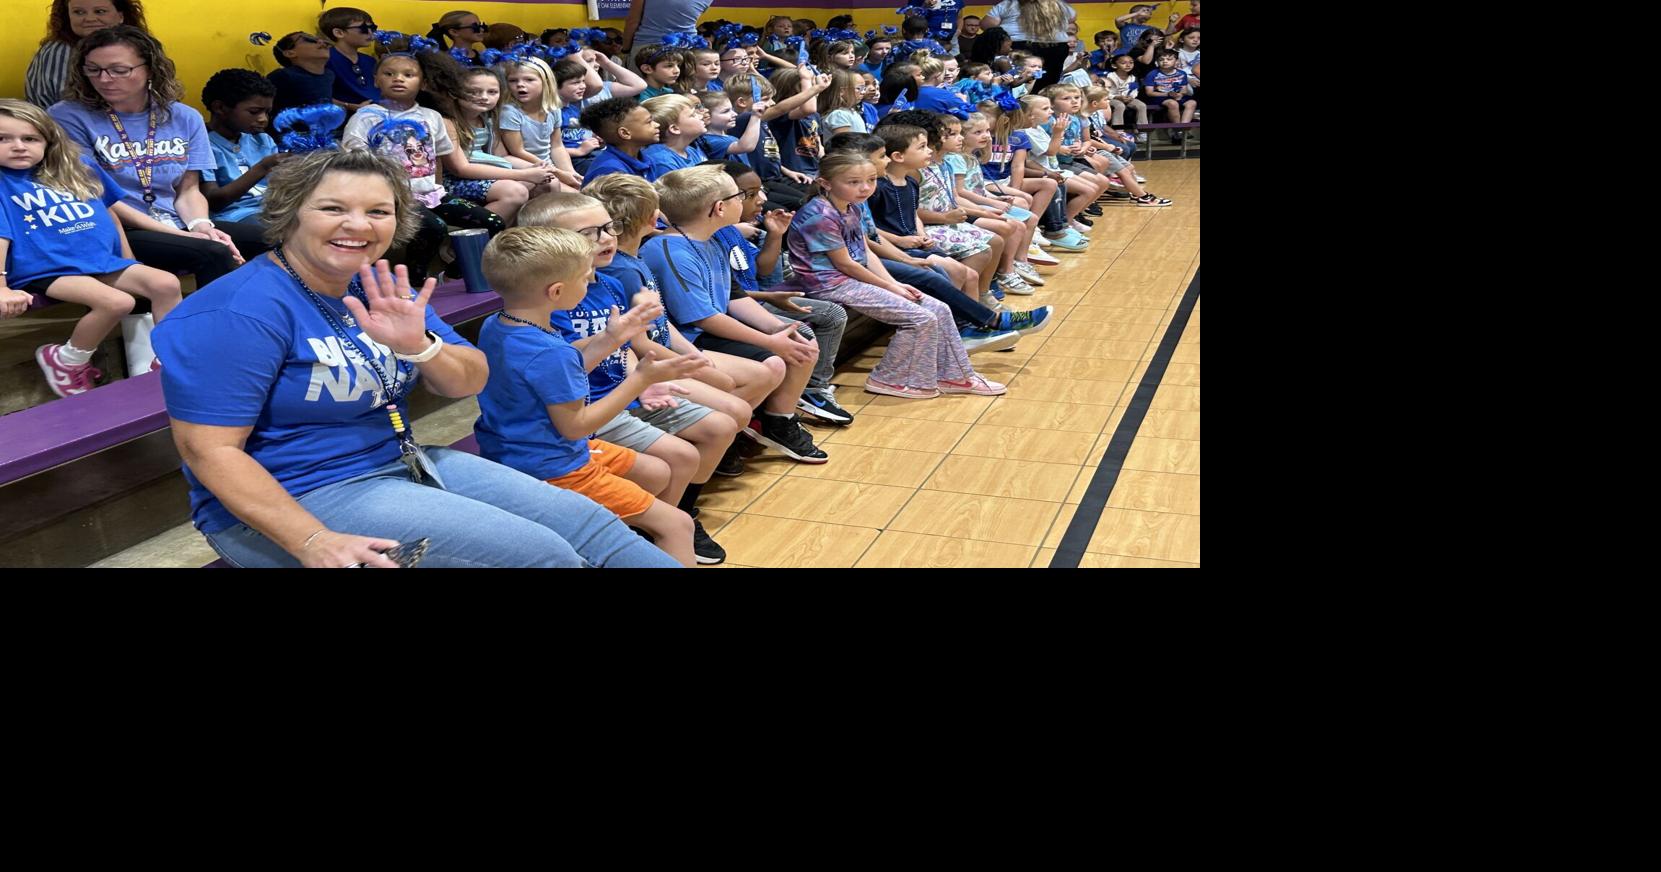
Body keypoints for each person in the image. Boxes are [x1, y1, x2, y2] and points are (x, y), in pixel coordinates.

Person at [151, 148, 679, 569]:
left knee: (591, 524)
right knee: (544, 556)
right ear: (289, 215)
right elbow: (209, 452)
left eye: (378, 211)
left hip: (403, 464)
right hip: (301, 495)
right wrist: (312, 540)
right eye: (333, 208)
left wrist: (420, 346)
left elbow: (470, 379)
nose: (358, 225)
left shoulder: (376, 285)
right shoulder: (234, 313)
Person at [519, 190, 748, 564]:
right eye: (588, 233)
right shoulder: (550, 303)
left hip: (619, 395)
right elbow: (565, 364)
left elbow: (628, 346)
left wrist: (649, 377)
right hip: (586, 411)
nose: (607, 238)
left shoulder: (607, 283)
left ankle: (662, 523)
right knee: (680, 454)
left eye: (607, 227)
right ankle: (655, 528)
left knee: (707, 436)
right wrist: (638, 375)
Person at [474, 226, 704, 566]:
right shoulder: (550, 352)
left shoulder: (499, 324)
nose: (590, 281)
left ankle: (625, 546)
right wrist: (640, 379)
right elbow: (577, 426)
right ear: (556, 291)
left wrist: (612, 337)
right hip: (555, 466)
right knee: (678, 525)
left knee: (656, 472)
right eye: (586, 277)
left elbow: (554, 371)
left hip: (519, 449)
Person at [640, 165, 828, 463]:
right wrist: (771, 342)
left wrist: (777, 328)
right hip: (690, 338)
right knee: (775, 363)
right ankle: (723, 435)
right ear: (719, 207)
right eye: (740, 196)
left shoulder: (712, 238)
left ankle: (778, 420)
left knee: (803, 341)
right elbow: (701, 318)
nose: (752, 199)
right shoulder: (670, 250)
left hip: (709, 329)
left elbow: (733, 296)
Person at [782, 152, 1005, 399]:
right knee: (920, 318)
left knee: (939, 308)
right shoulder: (820, 216)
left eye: (870, 180)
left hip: (852, 279)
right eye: (853, 182)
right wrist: (893, 288)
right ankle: (889, 379)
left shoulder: (852, 207)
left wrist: (894, 283)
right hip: (827, 285)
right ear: (825, 183)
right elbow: (846, 265)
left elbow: (865, 252)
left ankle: (954, 375)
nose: (865, 188)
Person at [50, 25, 256, 287]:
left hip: (175, 221)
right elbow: (96, 194)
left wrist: (201, 226)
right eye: (93, 69)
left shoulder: (184, 116)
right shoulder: (68, 115)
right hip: (118, 228)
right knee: (213, 252)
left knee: (271, 237)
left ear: (150, 68)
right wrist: (182, 236)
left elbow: (188, 189)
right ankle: (210, 327)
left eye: (119, 70)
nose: (104, 79)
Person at [1, 98, 180, 397]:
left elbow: (110, 214)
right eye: (3, 139)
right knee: (118, 302)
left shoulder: (77, 166)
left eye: (29, 138)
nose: (18, 146)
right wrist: (2, 286)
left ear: (48, 140)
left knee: (166, 283)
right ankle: (66, 360)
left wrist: (128, 259)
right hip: (49, 266)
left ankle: (169, 360)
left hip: (100, 259)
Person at [707, 159, 854, 425]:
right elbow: (723, 297)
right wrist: (770, 298)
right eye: (749, 195)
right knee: (802, 332)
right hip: (742, 307)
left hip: (755, 300)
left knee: (832, 313)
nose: (762, 199)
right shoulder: (707, 239)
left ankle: (813, 388)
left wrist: (775, 235)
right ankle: (782, 406)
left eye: (760, 190)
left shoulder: (733, 232)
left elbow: (762, 271)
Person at [25, 0, 147, 109]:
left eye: (100, 11)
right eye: (78, 12)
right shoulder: (60, 51)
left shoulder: (139, 47)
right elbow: (68, 106)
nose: (89, 18)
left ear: (121, 16)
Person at [981, 0, 1079, 91]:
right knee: (1048, 83)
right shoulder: (1058, 4)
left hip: (1018, 46)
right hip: (1055, 46)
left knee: (1017, 82)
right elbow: (1072, 17)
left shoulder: (1009, 4)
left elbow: (986, 25)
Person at [578, 97, 659, 184]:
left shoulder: (645, 160)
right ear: (625, 133)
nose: (657, 124)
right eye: (649, 122)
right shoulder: (610, 172)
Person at [320, 6, 381, 111]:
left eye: (373, 28)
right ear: (339, 33)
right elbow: (316, 95)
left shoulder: (370, 61)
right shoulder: (325, 59)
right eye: (363, 29)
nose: (371, 33)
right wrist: (348, 106)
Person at [267, 32, 339, 117]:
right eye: (309, 40)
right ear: (290, 53)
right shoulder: (283, 76)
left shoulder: (329, 75)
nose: (321, 42)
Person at [623, 0, 714, 51]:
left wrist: (625, 50)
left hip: (647, 48)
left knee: (640, 85)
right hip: (686, 47)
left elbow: (632, 22)